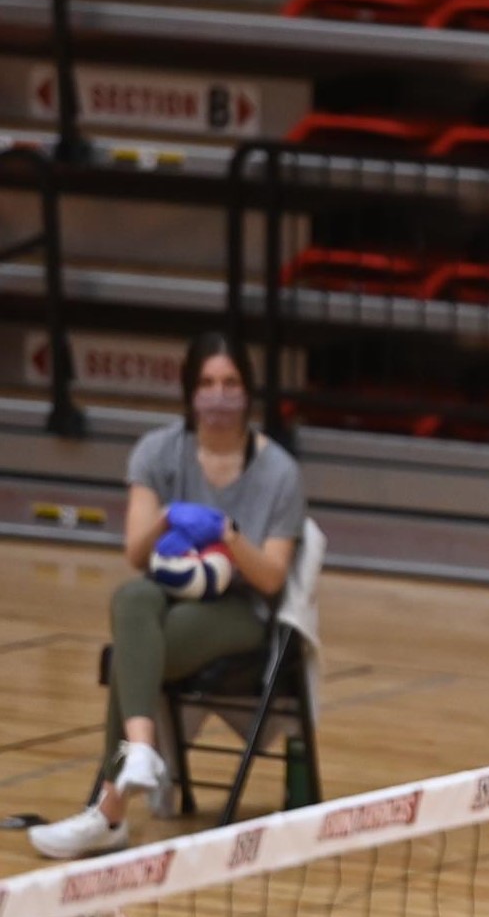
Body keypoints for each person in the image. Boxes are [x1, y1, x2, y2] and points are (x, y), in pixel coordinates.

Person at [30, 331, 307, 859]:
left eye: (230, 383)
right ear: (188, 392)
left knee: (136, 650)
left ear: (248, 392)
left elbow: (272, 577)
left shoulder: (279, 472)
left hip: (238, 609)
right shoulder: (158, 452)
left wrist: (226, 535)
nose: (218, 395)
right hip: (165, 594)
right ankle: (137, 755)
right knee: (131, 599)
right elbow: (136, 554)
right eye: (206, 383)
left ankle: (110, 810)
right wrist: (166, 521)